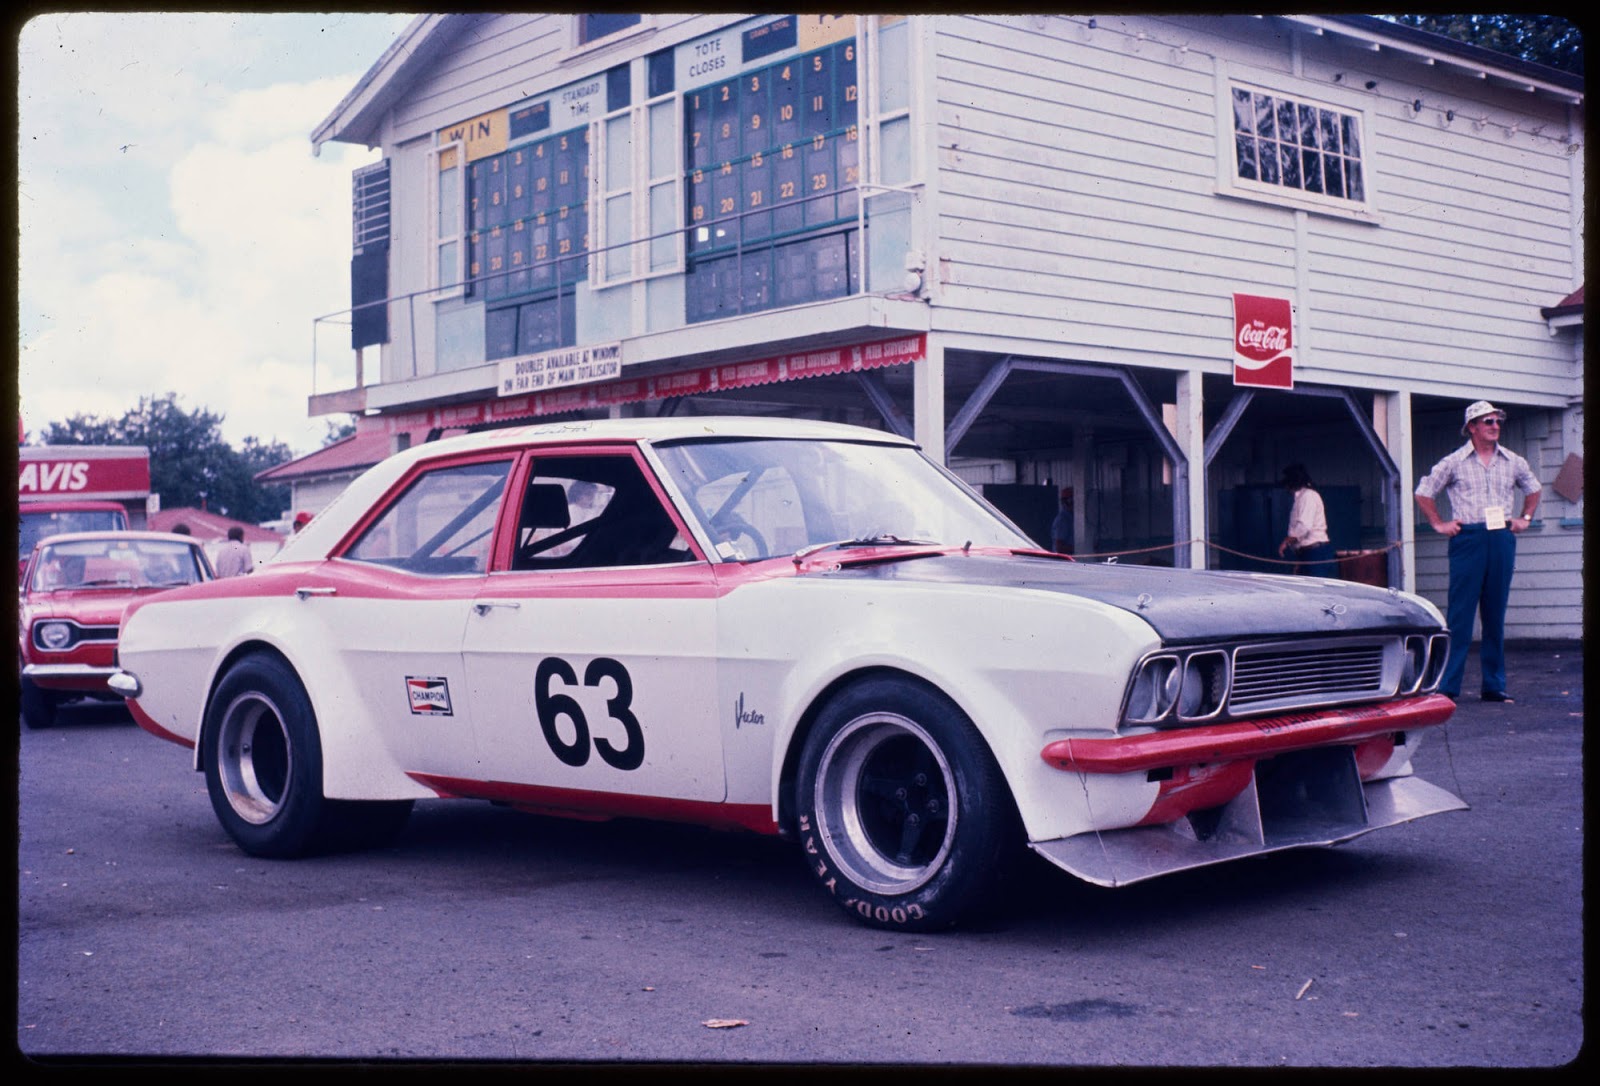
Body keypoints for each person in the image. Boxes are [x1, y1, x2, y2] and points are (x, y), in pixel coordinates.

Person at [1414, 400, 1542, 703]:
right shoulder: (1454, 461)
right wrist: (1439, 524)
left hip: (1501, 537)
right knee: (1461, 614)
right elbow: (1424, 492)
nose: (1495, 426)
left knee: (1495, 613)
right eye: (1487, 422)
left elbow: (1533, 488)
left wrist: (1525, 518)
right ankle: (1448, 685)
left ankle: (1494, 684)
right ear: (1472, 427)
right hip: (1468, 537)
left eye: (1497, 421)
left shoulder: (1512, 461)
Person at [1276, 464, 1336, 577]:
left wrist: (1286, 541)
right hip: (1307, 552)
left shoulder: (1308, 496)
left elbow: (1304, 526)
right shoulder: (1301, 498)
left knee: (1317, 590)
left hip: (1315, 553)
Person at [1049, 487, 1074, 555]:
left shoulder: (1072, 518)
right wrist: (1077, 548)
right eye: (1070, 501)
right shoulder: (1063, 520)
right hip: (1064, 561)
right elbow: (1059, 547)